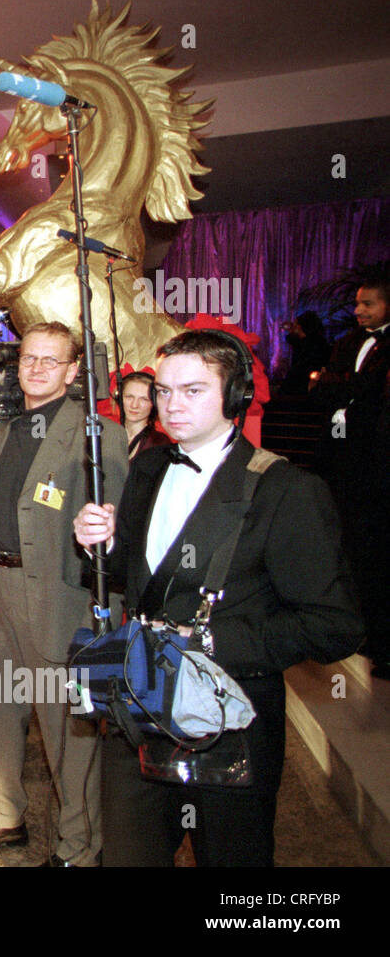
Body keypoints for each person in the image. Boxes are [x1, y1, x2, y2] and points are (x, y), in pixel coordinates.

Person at [73, 328, 362, 865]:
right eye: (163, 390)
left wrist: (207, 638)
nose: (171, 405)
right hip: (139, 710)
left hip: (232, 721)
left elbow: (334, 626)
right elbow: (132, 576)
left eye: (193, 390)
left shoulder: (287, 490)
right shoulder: (150, 467)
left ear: (235, 397)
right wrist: (103, 545)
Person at [0, 322, 128, 865]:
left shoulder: (96, 433)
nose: (35, 369)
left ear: (73, 371)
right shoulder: (6, 430)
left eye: (49, 361)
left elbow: (119, 528)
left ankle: (79, 848)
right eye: (28, 359)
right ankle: (5, 815)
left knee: (67, 731)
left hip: (57, 597)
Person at [313, 272, 390, 678]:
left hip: (376, 465)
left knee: (377, 552)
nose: (358, 311)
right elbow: (321, 389)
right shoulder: (346, 343)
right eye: (357, 304)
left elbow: (365, 386)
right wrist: (334, 384)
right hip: (341, 463)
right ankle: (356, 629)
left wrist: (335, 383)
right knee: (348, 547)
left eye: (368, 304)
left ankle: (382, 640)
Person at [117, 371, 170, 458]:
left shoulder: (160, 442)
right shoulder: (106, 437)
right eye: (129, 397)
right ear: (118, 398)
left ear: (154, 404)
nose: (134, 405)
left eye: (144, 399)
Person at [280, 311, 331, 396]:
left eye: (296, 324)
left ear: (301, 327)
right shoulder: (314, 342)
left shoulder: (311, 345)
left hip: (304, 387)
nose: (293, 327)